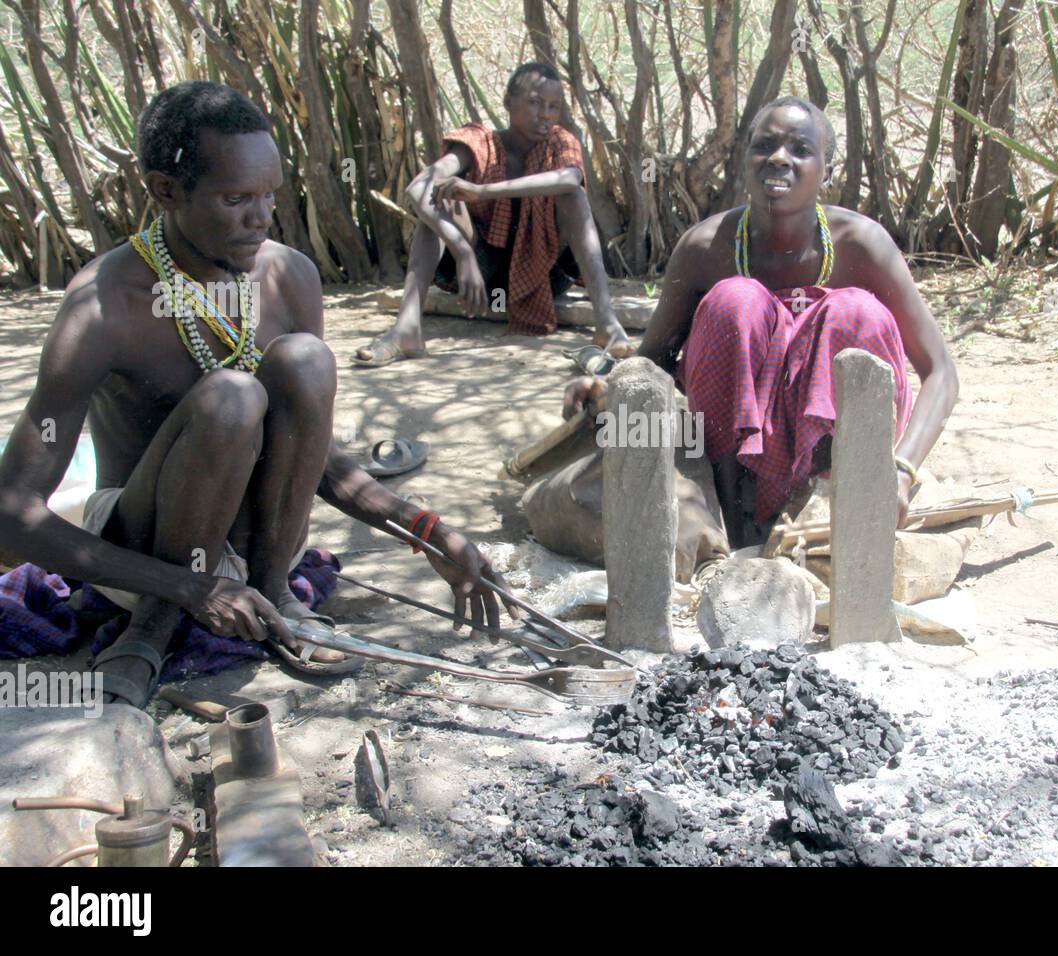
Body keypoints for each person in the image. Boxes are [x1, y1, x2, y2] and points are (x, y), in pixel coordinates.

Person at [0, 81, 512, 707]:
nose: (261, 217)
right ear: (166, 190)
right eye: (236, 198)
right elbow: (13, 513)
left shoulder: (289, 276)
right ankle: (152, 630)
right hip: (145, 552)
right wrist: (188, 589)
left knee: (304, 360)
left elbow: (313, 455)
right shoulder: (104, 305)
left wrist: (426, 528)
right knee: (232, 398)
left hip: (262, 542)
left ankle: (276, 592)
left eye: (270, 194)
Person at [564, 96, 959, 547]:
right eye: (764, 145)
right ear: (746, 160)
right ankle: (736, 515)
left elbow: (941, 372)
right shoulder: (705, 248)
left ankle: (830, 498)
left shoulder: (862, 245)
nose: (778, 158)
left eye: (800, 149)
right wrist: (609, 384)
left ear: (826, 171)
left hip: (835, 468)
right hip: (733, 460)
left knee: (854, 313)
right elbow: (652, 363)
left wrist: (903, 471)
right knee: (735, 303)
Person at [354, 61, 633, 367]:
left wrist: (484, 191)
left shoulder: (561, 141)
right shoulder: (480, 142)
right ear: (508, 102)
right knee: (438, 199)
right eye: (535, 103)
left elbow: (568, 179)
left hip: (544, 274)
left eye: (553, 107)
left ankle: (607, 324)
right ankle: (406, 331)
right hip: (481, 277)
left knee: (574, 196)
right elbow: (418, 186)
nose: (545, 115)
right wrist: (462, 252)